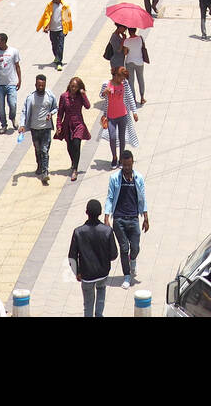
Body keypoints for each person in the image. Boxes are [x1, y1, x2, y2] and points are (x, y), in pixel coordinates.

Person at [104, 150, 149, 288]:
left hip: (134, 218)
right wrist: (106, 217)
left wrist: (146, 217)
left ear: (132, 162)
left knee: (134, 247)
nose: (127, 168)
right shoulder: (114, 179)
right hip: (119, 219)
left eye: (129, 165)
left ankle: (133, 259)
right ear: (121, 164)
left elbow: (142, 198)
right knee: (124, 248)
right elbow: (110, 198)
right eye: (125, 165)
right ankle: (127, 276)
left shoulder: (138, 178)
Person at [70, 198, 119, 317]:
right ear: (100, 213)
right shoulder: (107, 231)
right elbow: (114, 255)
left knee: (88, 304)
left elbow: (72, 256)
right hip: (103, 273)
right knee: (101, 291)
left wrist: (77, 272)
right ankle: (99, 314)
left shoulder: (78, 232)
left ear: (86, 212)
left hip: (86, 275)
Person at [20, 74, 59, 185]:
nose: (41, 87)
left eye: (43, 85)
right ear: (35, 85)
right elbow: (24, 111)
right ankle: (40, 165)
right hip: (34, 129)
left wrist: (51, 114)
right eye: (39, 85)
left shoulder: (50, 96)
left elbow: (56, 107)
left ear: (45, 85)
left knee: (44, 150)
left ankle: (45, 172)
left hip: (46, 128)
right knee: (38, 150)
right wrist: (22, 125)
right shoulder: (30, 98)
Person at [100, 68, 139, 167]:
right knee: (112, 137)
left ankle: (121, 158)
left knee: (122, 138)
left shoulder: (124, 84)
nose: (123, 79)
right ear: (116, 75)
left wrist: (134, 111)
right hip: (110, 116)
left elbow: (130, 96)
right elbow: (101, 95)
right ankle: (114, 157)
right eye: (122, 77)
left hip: (123, 115)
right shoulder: (106, 84)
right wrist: (105, 92)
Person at [56, 76, 92, 182]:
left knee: (77, 144)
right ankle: (73, 162)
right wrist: (59, 126)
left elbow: (88, 106)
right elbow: (60, 113)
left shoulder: (80, 96)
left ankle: (75, 169)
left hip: (78, 123)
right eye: (72, 86)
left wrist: (83, 94)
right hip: (67, 124)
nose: (73, 89)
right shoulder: (64, 97)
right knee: (70, 147)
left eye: (76, 87)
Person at [0, 32, 22, 133]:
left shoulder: (14, 51)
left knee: (13, 104)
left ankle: (13, 117)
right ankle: (3, 125)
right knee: (1, 107)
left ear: (3, 41)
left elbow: (17, 66)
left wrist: (19, 80)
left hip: (11, 83)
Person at [36, 0, 72, 71]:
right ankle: (56, 57)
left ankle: (59, 62)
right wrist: (46, 26)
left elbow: (67, 18)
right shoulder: (50, 6)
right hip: (52, 30)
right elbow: (46, 17)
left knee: (60, 45)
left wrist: (67, 29)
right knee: (54, 45)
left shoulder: (64, 6)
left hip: (61, 29)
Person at [122, 27, 150, 105]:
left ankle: (133, 99)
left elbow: (125, 53)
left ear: (128, 31)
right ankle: (142, 98)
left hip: (129, 62)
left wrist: (124, 40)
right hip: (139, 62)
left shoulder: (127, 41)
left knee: (131, 81)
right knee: (140, 79)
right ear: (135, 30)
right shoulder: (140, 38)